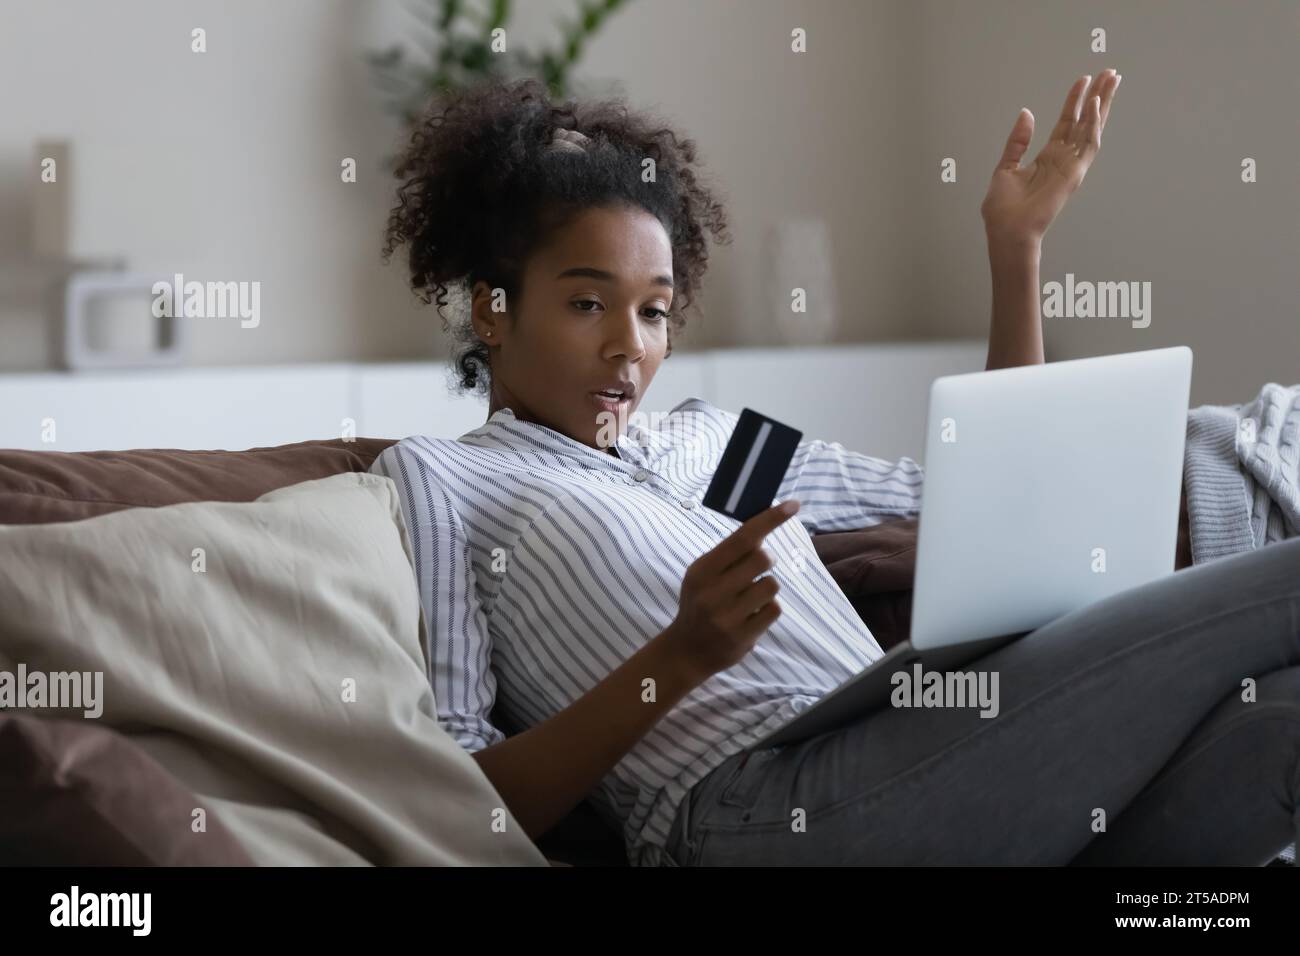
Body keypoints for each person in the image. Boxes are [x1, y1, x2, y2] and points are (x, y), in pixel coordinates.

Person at [371, 75, 1300, 865]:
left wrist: (1015, 253)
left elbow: (977, 504)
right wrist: (676, 659)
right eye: (586, 303)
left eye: (655, 313)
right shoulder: (445, 482)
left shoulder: (708, 444)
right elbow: (467, 804)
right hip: (760, 808)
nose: (628, 347)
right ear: (492, 312)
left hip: (917, 737)